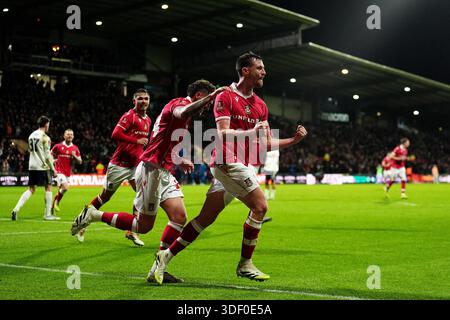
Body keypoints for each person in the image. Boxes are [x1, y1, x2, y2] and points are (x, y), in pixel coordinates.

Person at [152, 51, 308, 284]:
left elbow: (264, 143)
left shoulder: (261, 106)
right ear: (246, 71)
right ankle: (245, 264)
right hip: (226, 160)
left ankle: (166, 256)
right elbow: (223, 134)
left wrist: (292, 141)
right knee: (260, 206)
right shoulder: (225, 95)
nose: (264, 71)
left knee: (206, 218)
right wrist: (251, 133)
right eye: (260, 68)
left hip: (241, 164)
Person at [70, 80, 228, 283]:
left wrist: (179, 160)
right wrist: (212, 96)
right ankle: (94, 214)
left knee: (179, 217)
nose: (207, 107)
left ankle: (157, 269)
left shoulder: (180, 115)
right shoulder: (178, 104)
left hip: (163, 170)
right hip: (151, 170)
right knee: (143, 226)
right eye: (206, 102)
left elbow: (163, 140)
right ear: (198, 96)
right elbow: (183, 112)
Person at [75, 88, 152, 245]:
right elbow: (115, 134)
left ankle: (131, 231)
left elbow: (141, 145)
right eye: (140, 99)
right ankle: (83, 222)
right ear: (134, 101)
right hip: (119, 165)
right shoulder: (129, 116)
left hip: (135, 166)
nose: (143, 101)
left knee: (141, 195)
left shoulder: (148, 120)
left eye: (146, 98)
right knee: (105, 197)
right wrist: (136, 141)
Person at [11, 116, 58, 221]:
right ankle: (47, 215)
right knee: (49, 187)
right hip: (42, 166)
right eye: (48, 124)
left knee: (31, 189)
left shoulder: (31, 135)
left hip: (32, 165)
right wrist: (53, 169)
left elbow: (32, 150)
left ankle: (16, 209)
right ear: (46, 124)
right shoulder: (46, 138)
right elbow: (47, 156)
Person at [50, 129, 82, 214]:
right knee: (65, 187)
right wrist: (52, 161)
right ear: (64, 136)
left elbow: (80, 161)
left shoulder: (75, 148)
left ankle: (52, 207)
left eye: (71, 134)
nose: (70, 136)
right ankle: (57, 203)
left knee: (62, 190)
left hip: (67, 173)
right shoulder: (58, 146)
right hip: (59, 171)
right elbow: (50, 154)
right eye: (68, 134)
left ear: (73, 136)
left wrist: (74, 156)